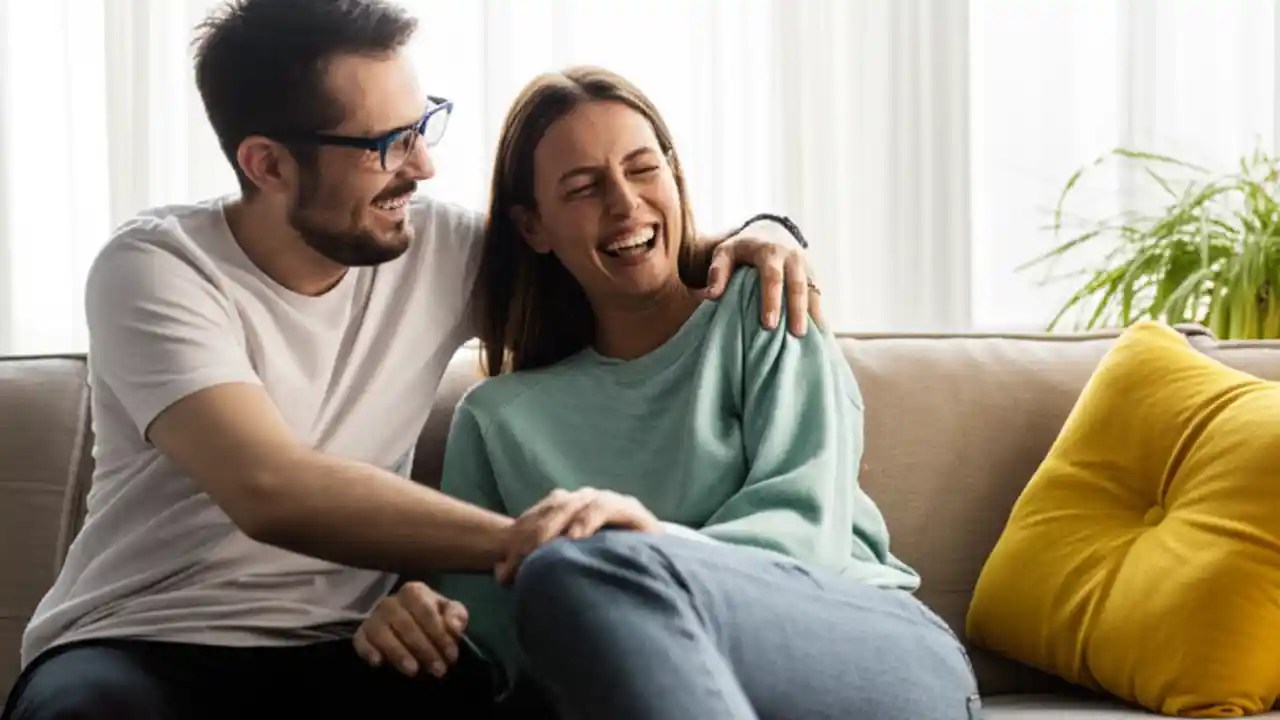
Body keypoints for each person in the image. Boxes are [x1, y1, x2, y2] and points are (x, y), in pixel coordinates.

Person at [0, 2, 820, 719]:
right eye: (386, 145)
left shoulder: (436, 244)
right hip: (142, 640)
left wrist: (766, 233)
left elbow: (612, 241)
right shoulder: (155, 269)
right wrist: (530, 542)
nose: (423, 166)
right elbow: (271, 489)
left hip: (349, 648)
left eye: (423, 123)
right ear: (267, 163)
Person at [353, 66, 985, 720]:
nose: (625, 205)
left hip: (867, 643)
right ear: (533, 227)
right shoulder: (495, 418)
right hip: (658, 677)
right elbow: (495, 646)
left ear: (675, 177)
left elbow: (810, 528)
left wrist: (651, 554)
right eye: (584, 187)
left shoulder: (760, 304)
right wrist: (416, 618)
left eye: (642, 168)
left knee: (583, 569)